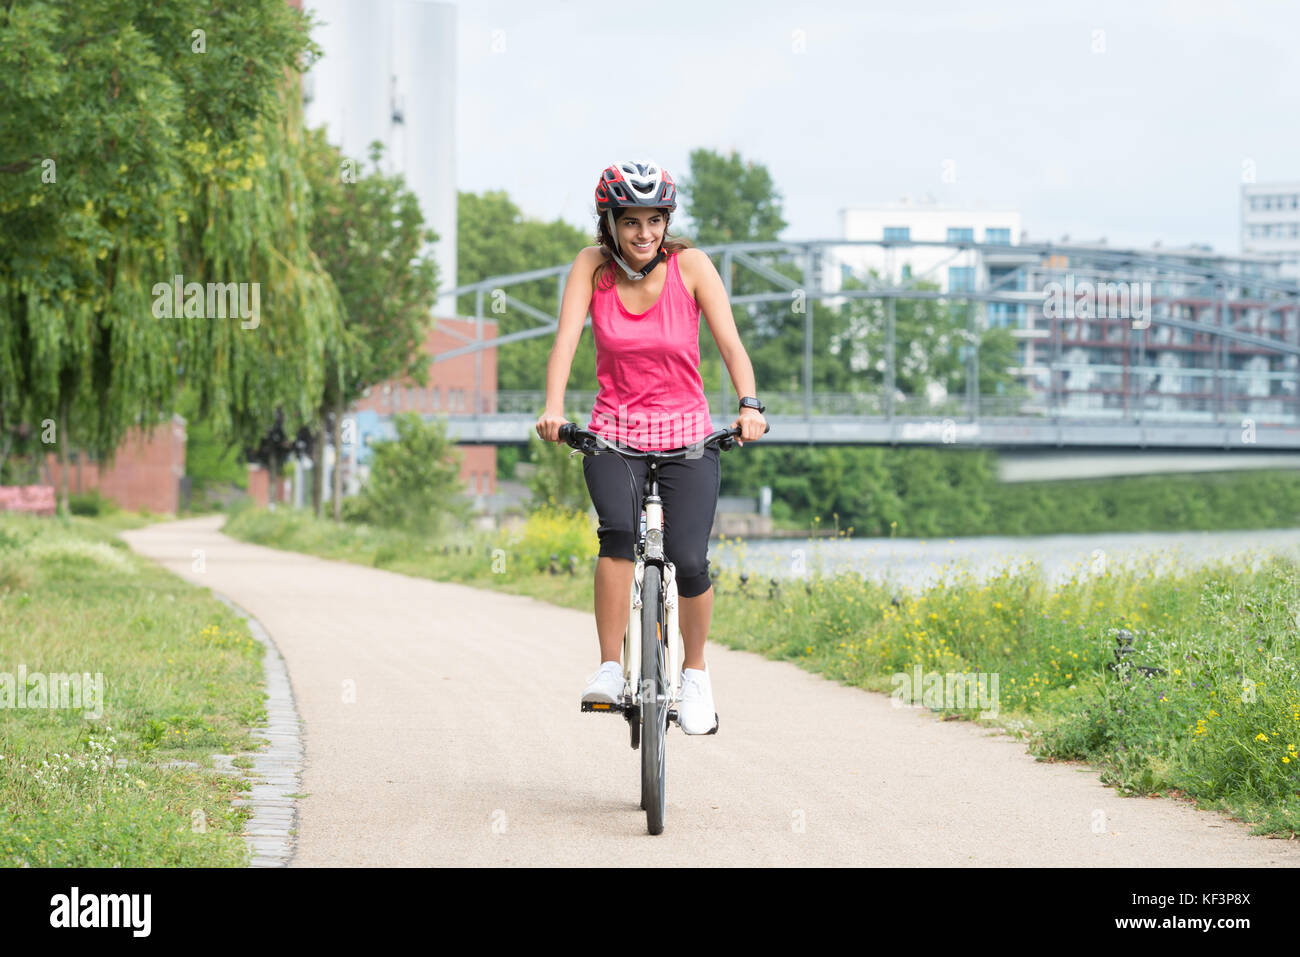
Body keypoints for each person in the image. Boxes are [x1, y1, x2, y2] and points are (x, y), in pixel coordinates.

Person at [535, 160, 767, 734]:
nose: (643, 234)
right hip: (613, 434)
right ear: (608, 223)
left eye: (654, 221)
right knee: (617, 534)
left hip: (688, 436)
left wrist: (749, 405)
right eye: (630, 221)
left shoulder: (693, 268)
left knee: (689, 559)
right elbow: (565, 341)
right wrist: (554, 409)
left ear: (667, 222)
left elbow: (731, 345)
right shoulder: (591, 268)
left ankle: (695, 675)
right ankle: (611, 667)